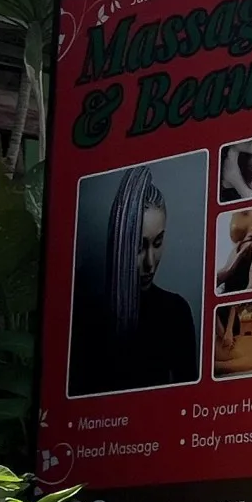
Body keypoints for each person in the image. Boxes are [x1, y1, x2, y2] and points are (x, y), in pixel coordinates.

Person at [72, 165, 200, 393]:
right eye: (138, 247)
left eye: (158, 242)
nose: (150, 263)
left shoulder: (176, 312)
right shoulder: (85, 316)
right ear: (119, 242)